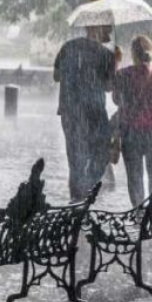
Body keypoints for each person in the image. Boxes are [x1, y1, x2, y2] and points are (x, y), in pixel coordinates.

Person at [53, 24, 117, 203]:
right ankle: (86, 187)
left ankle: (76, 197)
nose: (109, 35)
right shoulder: (106, 55)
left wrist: (74, 74)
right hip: (94, 111)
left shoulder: (67, 47)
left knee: (75, 157)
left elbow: (56, 76)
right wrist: (113, 66)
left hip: (69, 111)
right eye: (107, 30)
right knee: (103, 151)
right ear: (96, 29)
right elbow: (109, 87)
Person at [113, 35, 152, 206]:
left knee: (135, 178)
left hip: (132, 132)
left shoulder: (123, 74)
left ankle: (138, 214)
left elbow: (116, 100)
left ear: (132, 53)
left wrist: (116, 64)